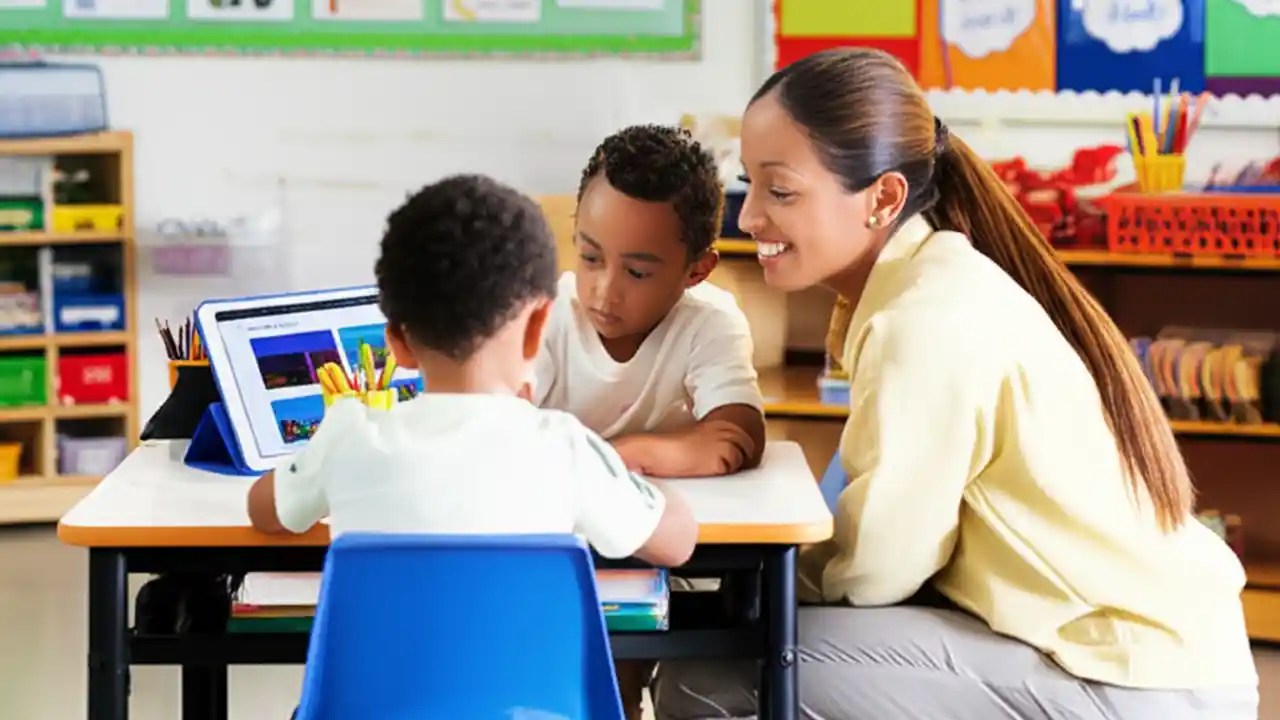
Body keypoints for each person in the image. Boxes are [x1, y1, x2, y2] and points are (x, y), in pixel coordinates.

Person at [653, 48, 1258, 720]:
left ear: (882, 198)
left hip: (1134, 677)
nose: (748, 218)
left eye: (781, 191)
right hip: (1142, 653)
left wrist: (757, 588)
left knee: (716, 673)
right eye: (750, 184)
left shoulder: (923, 317)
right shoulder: (923, 281)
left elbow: (882, 568)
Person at [246, 174, 697, 576]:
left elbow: (264, 509)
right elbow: (678, 543)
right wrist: (634, 483)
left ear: (397, 342)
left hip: (379, 673)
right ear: (538, 327)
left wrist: (317, 460)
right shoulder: (564, 448)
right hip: (529, 675)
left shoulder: (349, 435)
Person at [533, 124, 766, 479]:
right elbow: (496, 432)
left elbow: (738, 435)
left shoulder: (709, 321)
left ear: (697, 271)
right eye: (590, 258)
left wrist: (618, 455)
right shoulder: (543, 316)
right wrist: (652, 454)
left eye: (637, 272)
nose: (605, 291)